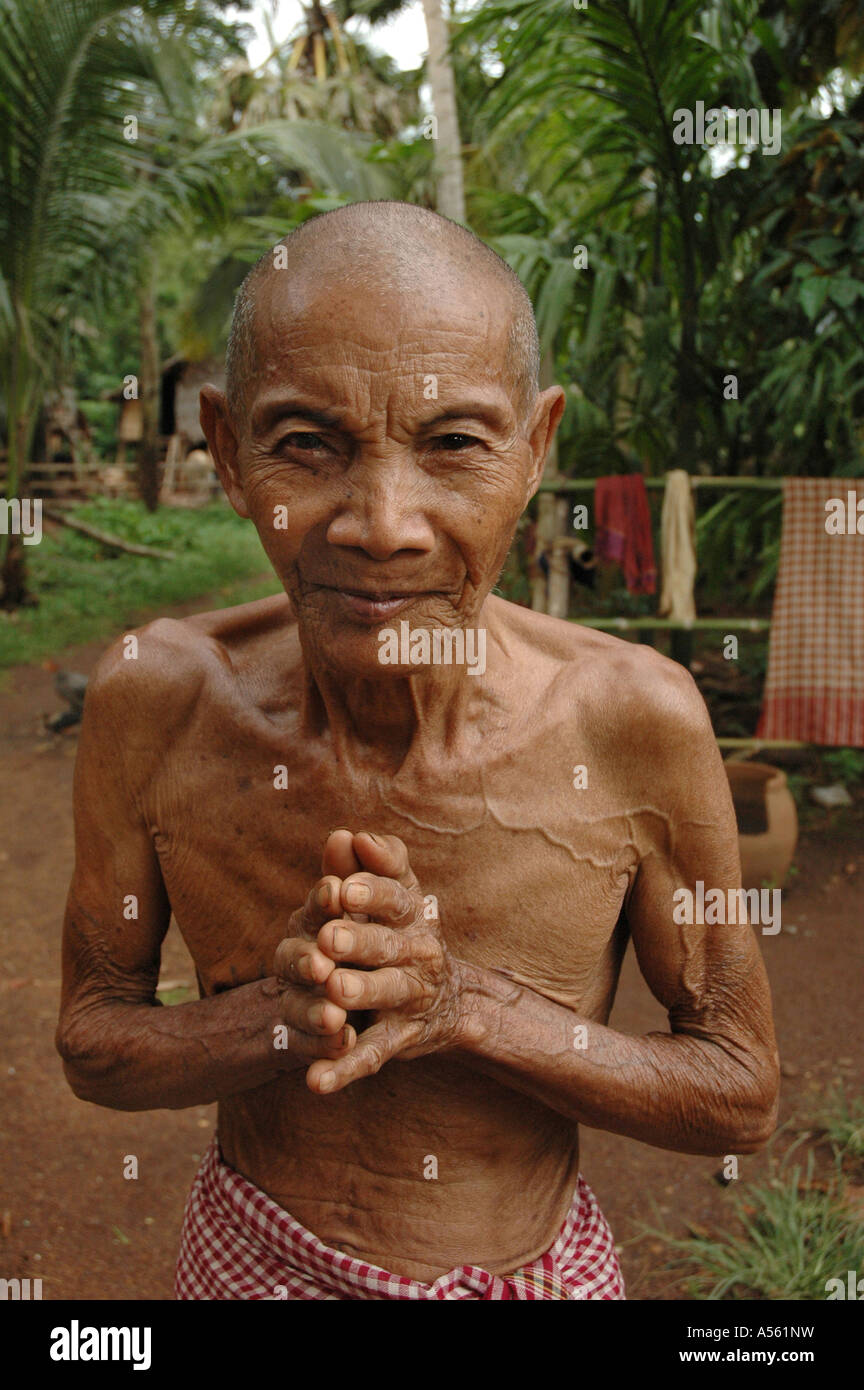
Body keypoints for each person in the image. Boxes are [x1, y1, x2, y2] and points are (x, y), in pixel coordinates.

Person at [56, 200, 779, 1301]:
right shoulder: (155, 700)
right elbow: (95, 1039)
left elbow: (740, 1088)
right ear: (227, 450)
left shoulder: (634, 720)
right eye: (308, 444)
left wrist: (468, 1009)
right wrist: (281, 1017)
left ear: (535, 450)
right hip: (250, 1265)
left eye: (454, 445)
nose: (382, 524)